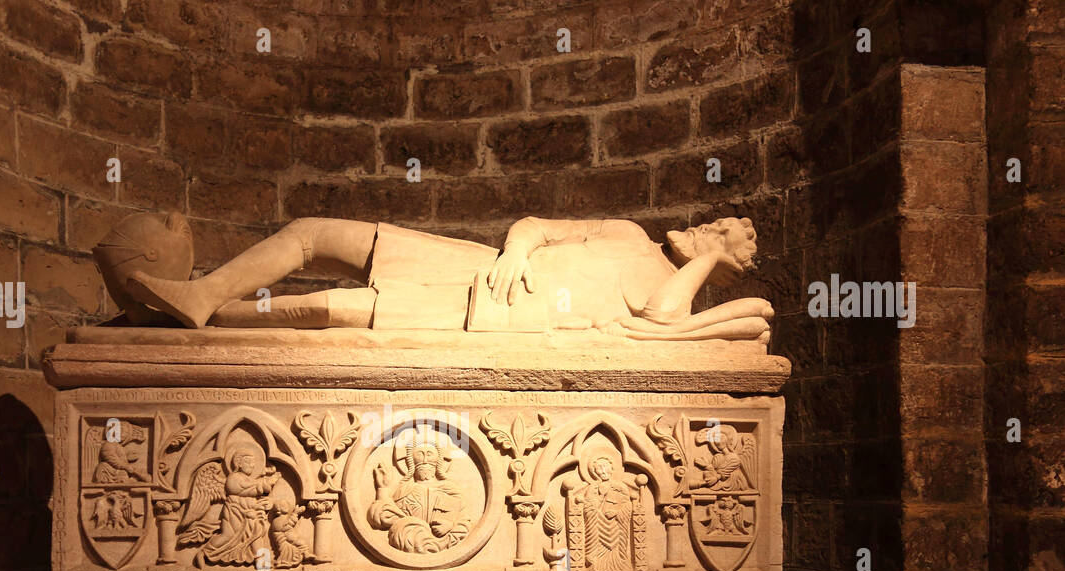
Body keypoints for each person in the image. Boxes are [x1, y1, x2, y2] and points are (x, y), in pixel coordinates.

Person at [110, 215, 774, 342]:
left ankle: (199, 316)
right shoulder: (628, 234)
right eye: (715, 226)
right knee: (315, 233)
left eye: (722, 243)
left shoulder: (675, 299)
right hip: (476, 266)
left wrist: (707, 265)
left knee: (326, 310)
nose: (705, 232)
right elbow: (537, 225)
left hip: (491, 320)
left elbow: (660, 318)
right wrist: (515, 250)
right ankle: (200, 293)